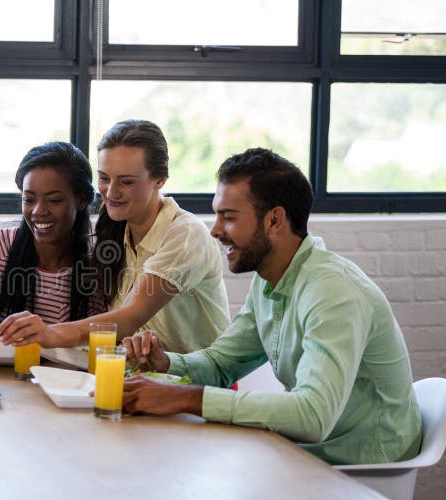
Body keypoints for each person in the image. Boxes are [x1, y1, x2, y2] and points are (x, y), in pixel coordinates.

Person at [122, 147, 422, 465]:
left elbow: (312, 416)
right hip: (308, 454)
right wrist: (165, 363)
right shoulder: (269, 281)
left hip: (364, 467)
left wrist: (187, 398)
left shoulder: (333, 293)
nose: (215, 231)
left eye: (229, 217)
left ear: (274, 220)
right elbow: (222, 364)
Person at [0, 120, 230, 354]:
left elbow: (130, 317)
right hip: (144, 378)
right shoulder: (115, 234)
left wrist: (51, 332)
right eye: (105, 178)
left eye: (126, 182)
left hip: (195, 382)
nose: (112, 192)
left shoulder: (186, 234)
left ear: (159, 179)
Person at [0, 141, 98, 335]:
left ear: (81, 200)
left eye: (54, 200)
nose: (38, 211)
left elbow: (99, 342)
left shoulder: (96, 265)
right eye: (29, 200)